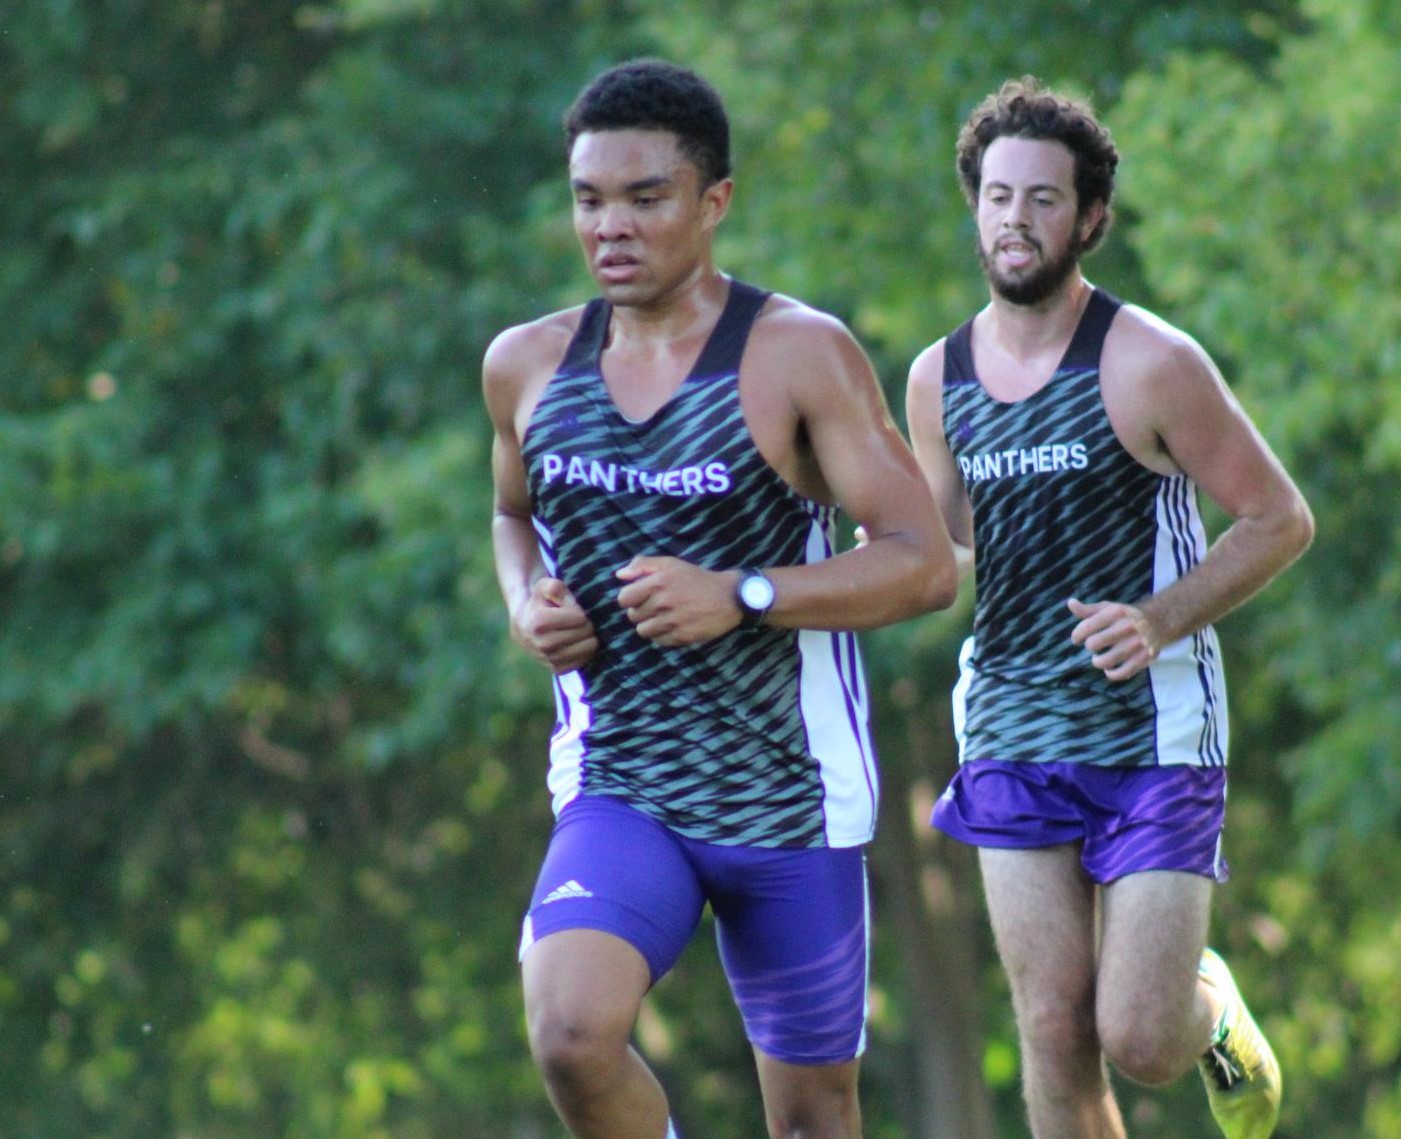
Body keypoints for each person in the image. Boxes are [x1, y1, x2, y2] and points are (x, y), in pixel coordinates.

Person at [482, 59, 957, 1139]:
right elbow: (512, 515)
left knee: (810, 1123)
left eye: (645, 197)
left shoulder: (797, 353)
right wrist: (525, 601)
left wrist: (742, 594)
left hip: (789, 796)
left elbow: (923, 563)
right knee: (569, 1035)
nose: (610, 226)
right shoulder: (525, 366)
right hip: (622, 780)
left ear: (714, 202)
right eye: (588, 199)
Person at [904, 78, 1314, 1139]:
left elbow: (1278, 518)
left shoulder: (1151, 361)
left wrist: (1162, 616)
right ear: (972, 205)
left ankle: (1208, 1004)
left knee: (1136, 1037)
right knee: (1049, 1025)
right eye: (997, 196)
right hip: (1008, 722)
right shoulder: (934, 377)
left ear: (1089, 219)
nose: (1014, 220)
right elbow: (940, 550)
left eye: (1042, 200)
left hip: (1154, 727)